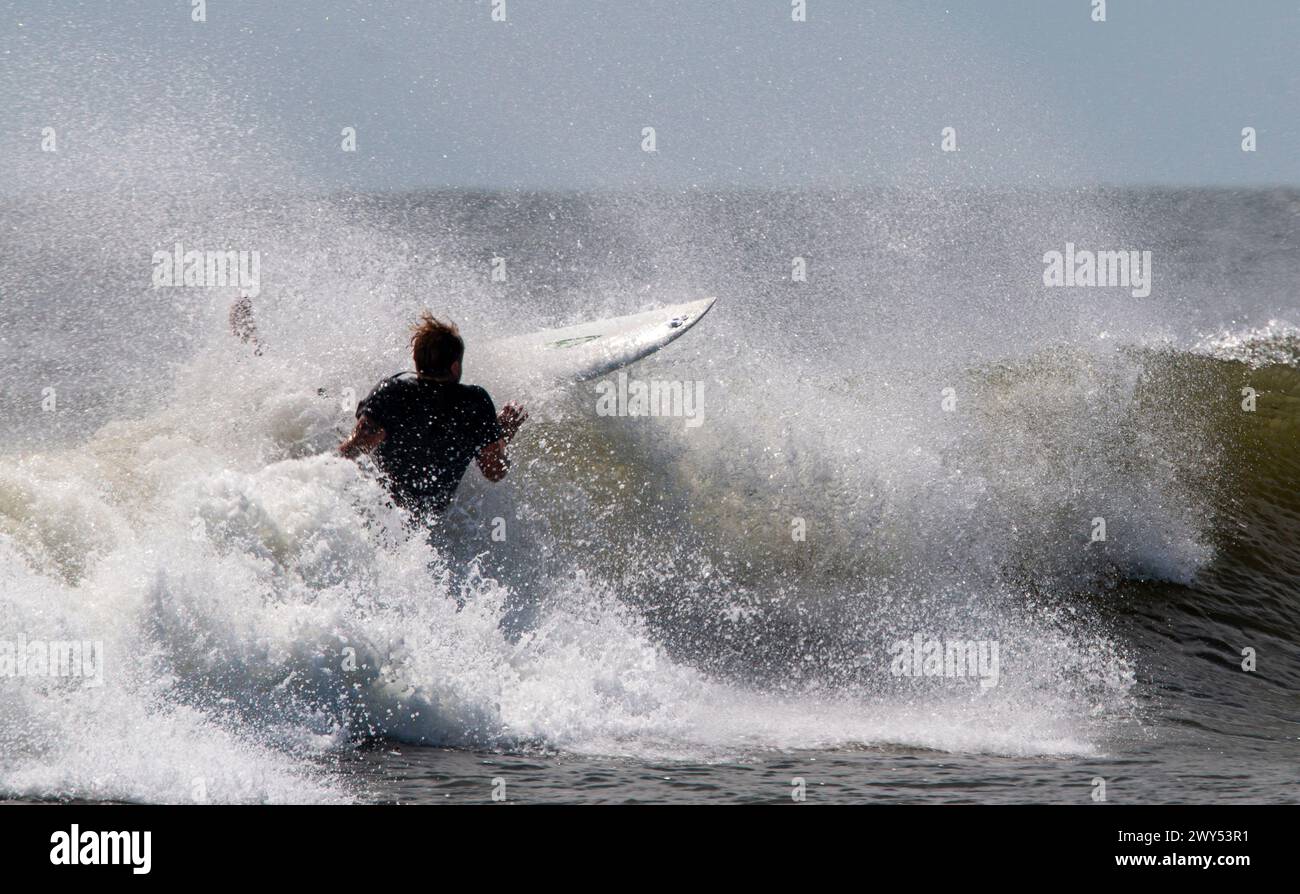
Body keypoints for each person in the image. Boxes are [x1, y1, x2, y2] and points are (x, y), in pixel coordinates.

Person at [339, 313, 527, 519]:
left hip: (381, 515)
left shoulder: (392, 391)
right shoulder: (474, 402)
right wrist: (504, 431)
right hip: (428, 527)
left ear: (416, 360)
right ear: (455, 367)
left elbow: (353, 449)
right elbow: (494, 471)